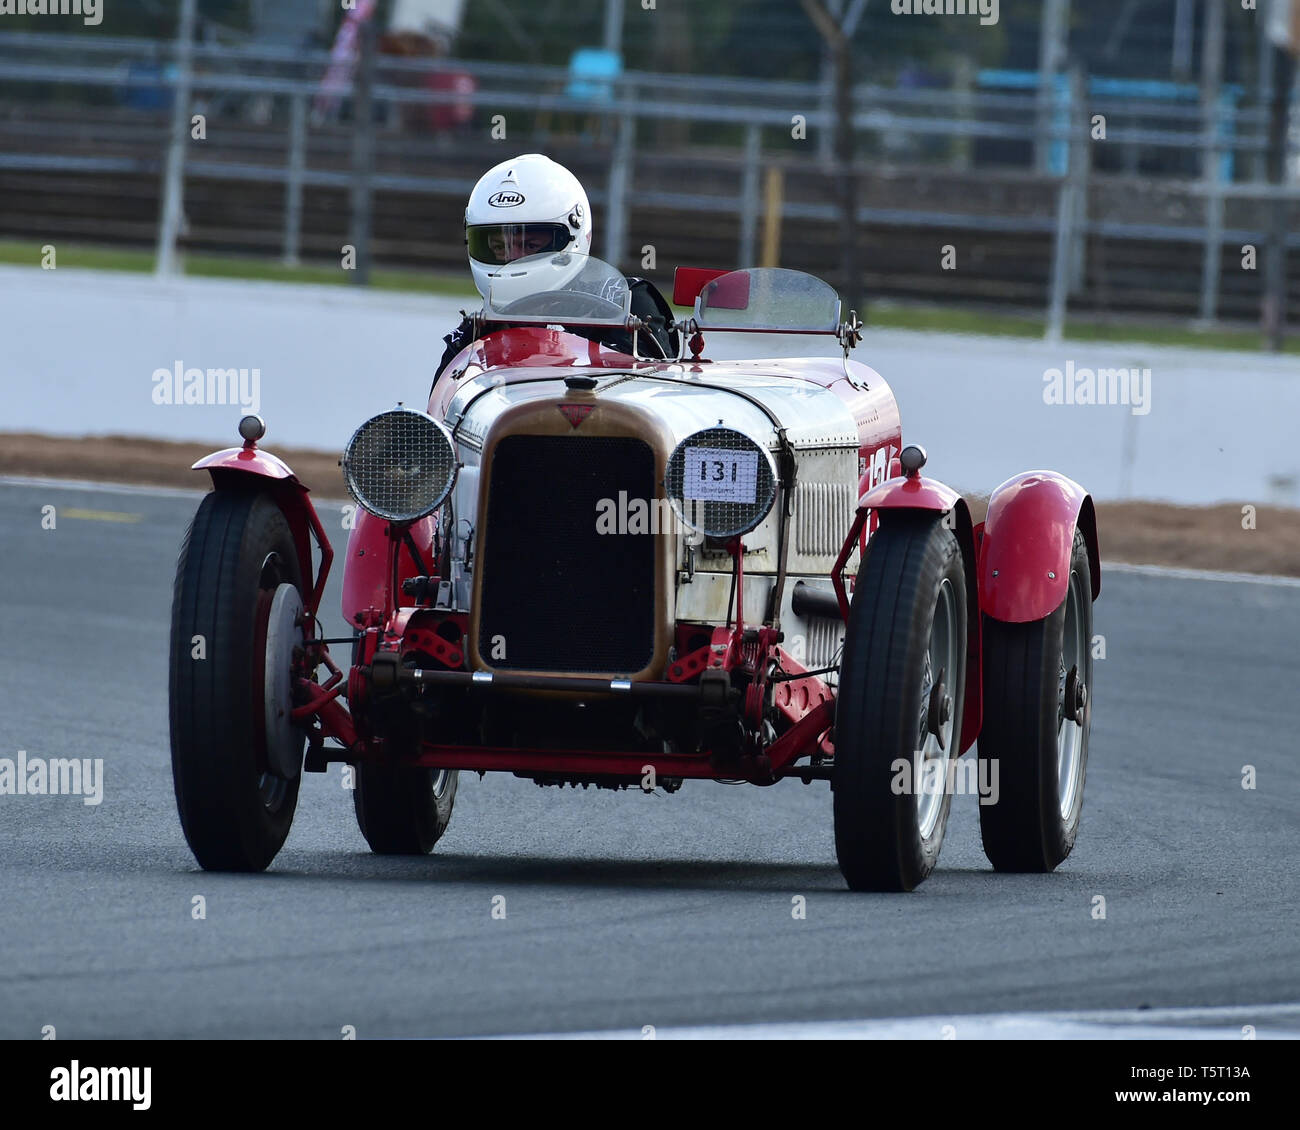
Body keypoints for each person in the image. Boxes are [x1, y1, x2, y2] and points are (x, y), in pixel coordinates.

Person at [435, 153, 678, 378]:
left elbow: (639, 398)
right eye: (500, 247)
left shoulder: (627, 305)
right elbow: (443, 405)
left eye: (529, 245)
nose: (513, 259)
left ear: (573, 232)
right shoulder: (477, 330)